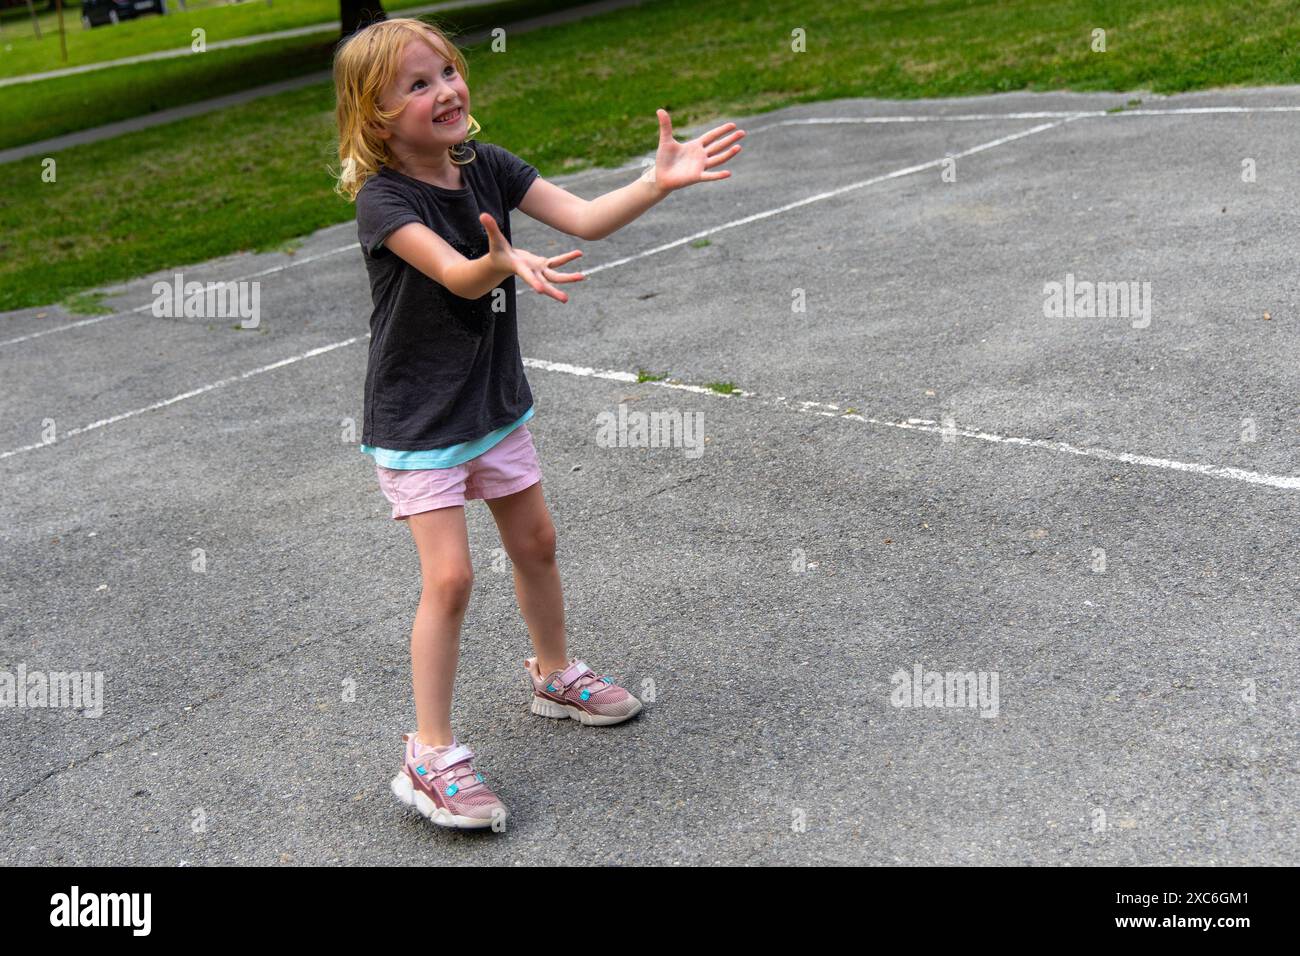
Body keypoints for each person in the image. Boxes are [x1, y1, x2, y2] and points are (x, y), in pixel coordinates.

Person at [332, 17, 744, 830]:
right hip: (419, 423)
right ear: (376, 115)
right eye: (417, 84)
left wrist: (658, 182)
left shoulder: (482, 165)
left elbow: (585, 218)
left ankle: (554, 674)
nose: (446, 89)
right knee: (449, 579)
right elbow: (454, 273)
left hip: (492, 403)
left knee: (537, 543)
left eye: (447, 71)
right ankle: (430, 756)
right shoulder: (385, 199)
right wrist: (498, 262)